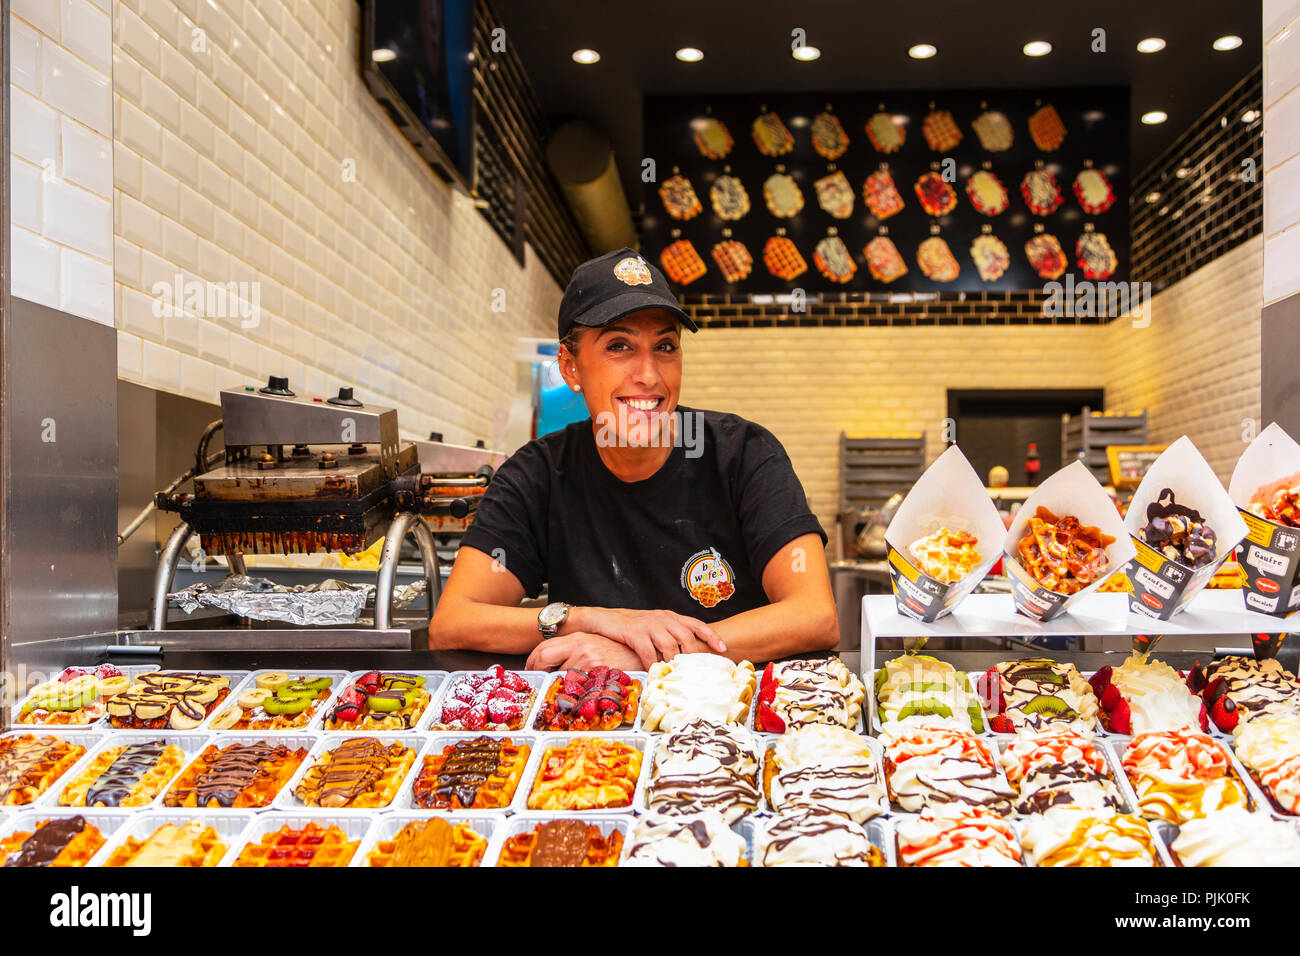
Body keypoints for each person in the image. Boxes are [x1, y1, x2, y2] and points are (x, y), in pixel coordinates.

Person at [428, 248, 838, 671]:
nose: (648, 374)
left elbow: (814, 616)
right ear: (570, 368)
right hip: (598, 730)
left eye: (665, 346)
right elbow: (454, 622)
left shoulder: (744, 454)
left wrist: (646, 659)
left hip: (733, 720)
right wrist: (591, 620)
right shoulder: (538, 475)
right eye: (619, 346)